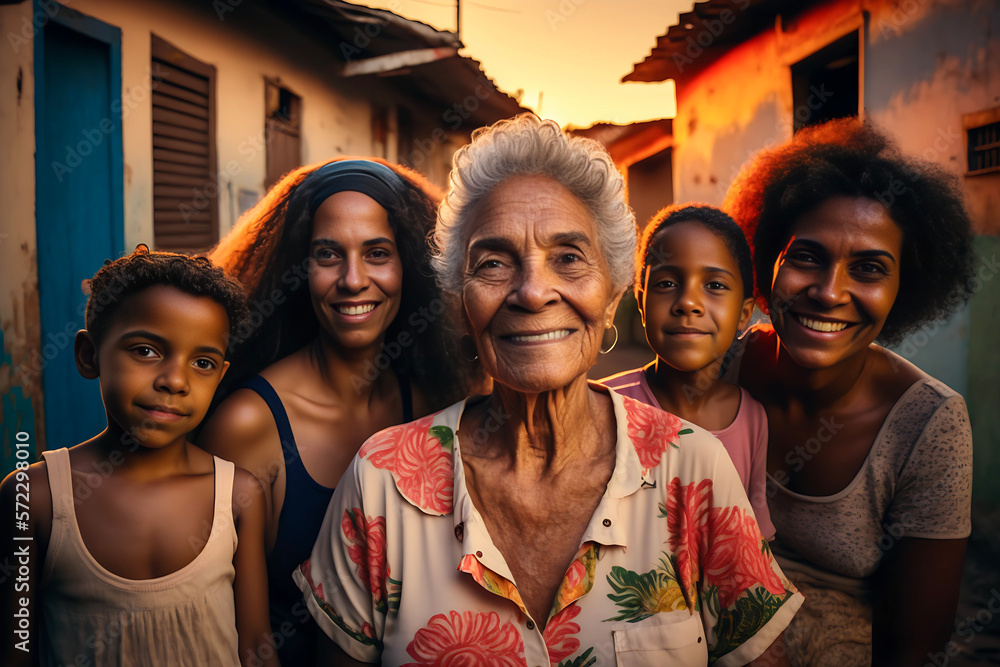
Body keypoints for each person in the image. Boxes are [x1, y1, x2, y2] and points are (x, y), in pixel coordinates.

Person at [295, 114, 802, 666]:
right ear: (461, 303)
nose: (533, 292)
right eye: (493, 262)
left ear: (610, 297)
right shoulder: (382, 481)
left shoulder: (694, 470)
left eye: (567, 258)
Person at [722, 118, 975, 666]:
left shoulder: (930, 425)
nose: (828, 292)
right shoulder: (719, 367)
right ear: (768, 262)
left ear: (905, 287)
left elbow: (915, 648)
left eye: (868, 268)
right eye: (807, 256)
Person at [199, 158, 470, 665]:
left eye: (377, 253)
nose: (352, 280)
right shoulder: (248, 424)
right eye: (328, 254)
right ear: (300, 268)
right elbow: (224, 626)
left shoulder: (429, 405)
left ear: (410, 264)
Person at [0, 246, 276, 667]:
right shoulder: (33, 497)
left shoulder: (239, 494)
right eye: (146, 351)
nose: (175, 381)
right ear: (89, 355)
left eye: (202, 362)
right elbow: (15, 652)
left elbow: (256, 647)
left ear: (220, 376)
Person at [600, 204, 774, 540]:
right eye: (666, 283)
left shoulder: (753, 419)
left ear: (744, 314)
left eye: (715, 286)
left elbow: (753, 541)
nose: (688, 302)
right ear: (641, 303)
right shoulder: (604, 405)